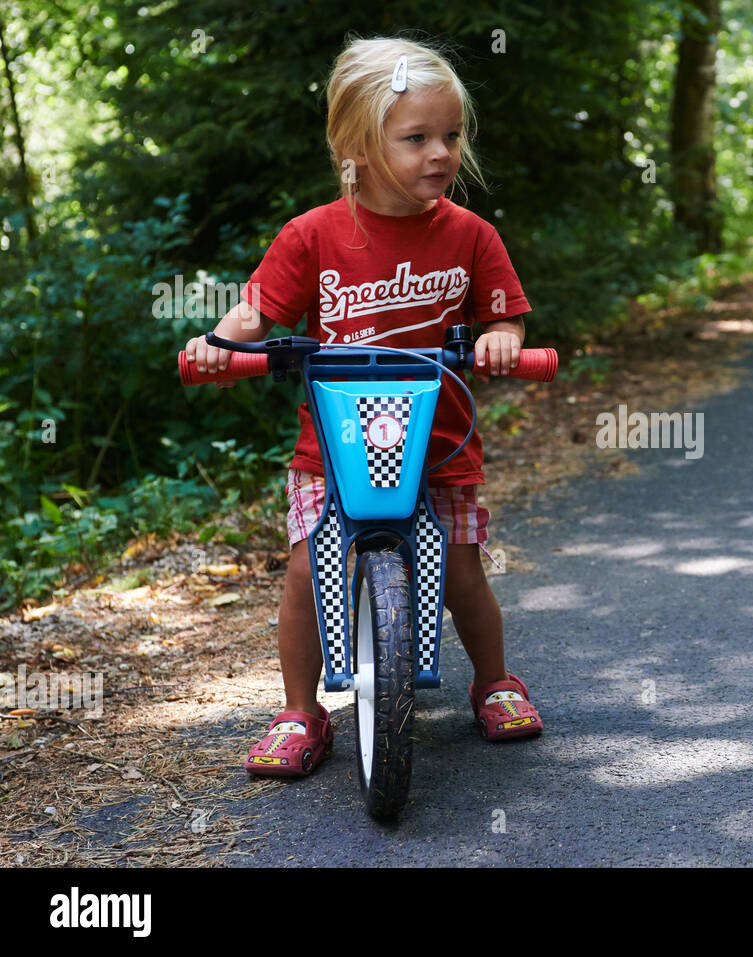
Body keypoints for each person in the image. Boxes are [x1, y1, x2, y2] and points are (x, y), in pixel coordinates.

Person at [184, 35, 543, 776]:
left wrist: (503, 340)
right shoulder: (312, 235)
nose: (440, 152)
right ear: (357, 143)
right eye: (416, 138)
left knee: (463, 571)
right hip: (336, 444)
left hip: (437, 443)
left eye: (451, 135)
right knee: (307, 570)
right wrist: (219, 343)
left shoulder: (471, 235)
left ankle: (494, 679)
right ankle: (299, 709)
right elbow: (256, 315)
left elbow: (505, 315)